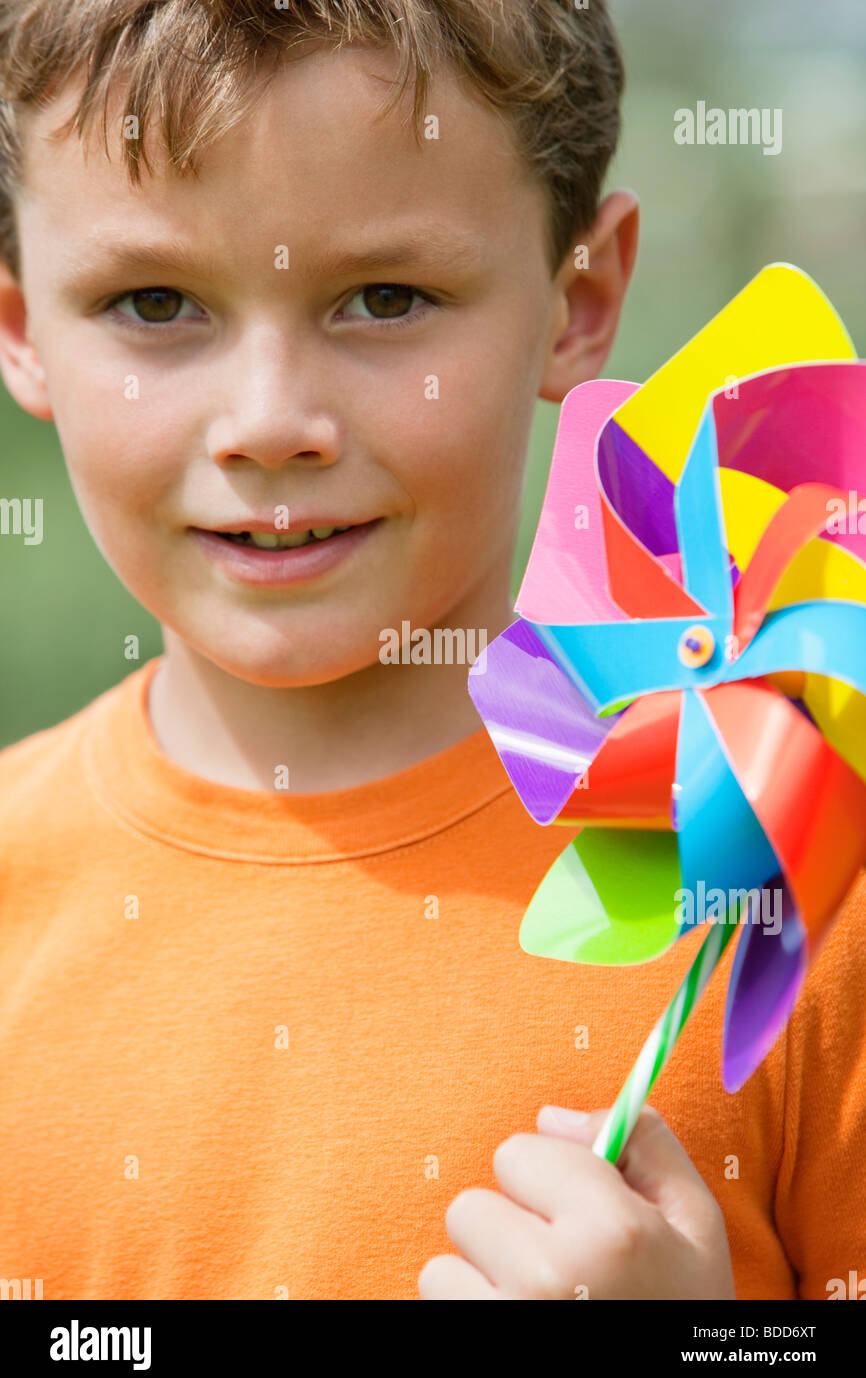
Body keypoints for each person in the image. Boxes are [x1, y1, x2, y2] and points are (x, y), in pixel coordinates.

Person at [0, 0, 860, 1301]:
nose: (270, 422)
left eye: (385, 297)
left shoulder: (786, 883)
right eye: (155, 301)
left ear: (579, 297)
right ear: (21, 330)